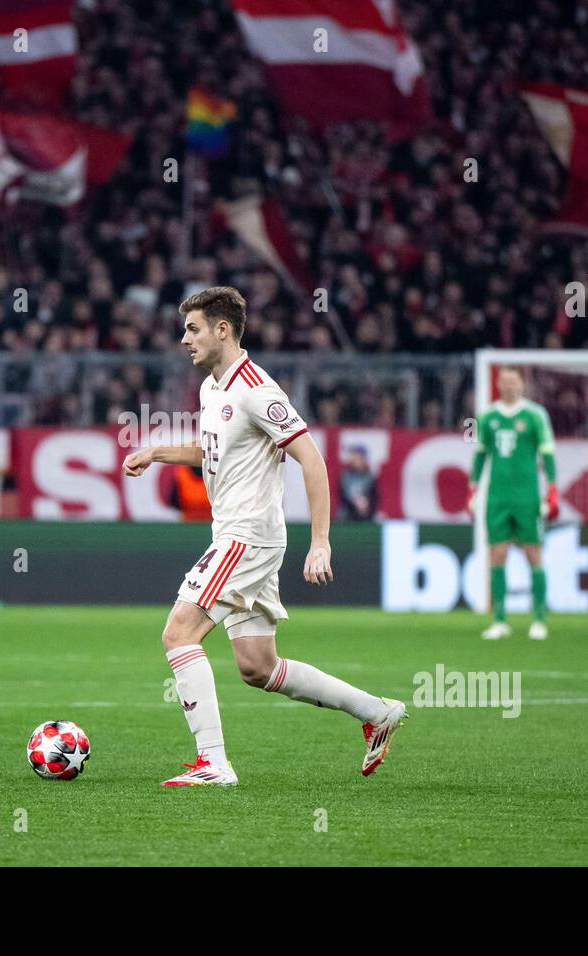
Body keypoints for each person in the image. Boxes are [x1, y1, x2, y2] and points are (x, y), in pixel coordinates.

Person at [122, 286, 407, 787]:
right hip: (238, 535)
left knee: (178, 633)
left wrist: (321, 540)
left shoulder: (256, 388)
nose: (184, 339)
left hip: (246, 537)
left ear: (222, 329)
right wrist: (157, 453)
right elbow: (215, 451)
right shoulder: (214, 388)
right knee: (258, 667)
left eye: (192, 329)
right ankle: (377, 711)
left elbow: (311, 457)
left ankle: (213, 763)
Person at [467, 366, 558, 640]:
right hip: (497, 496)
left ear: (522, 384)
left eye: (513, 382)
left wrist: (552, 489)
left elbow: (548, 454)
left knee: (533, 553)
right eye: (504, 382)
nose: (509, 386)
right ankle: (499, 619)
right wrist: (473, 488)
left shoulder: (535, 415)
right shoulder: (487, 416)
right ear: (498, 383)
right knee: (497, 554)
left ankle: (539, 618)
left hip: (527, 496)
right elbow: (480, 455)